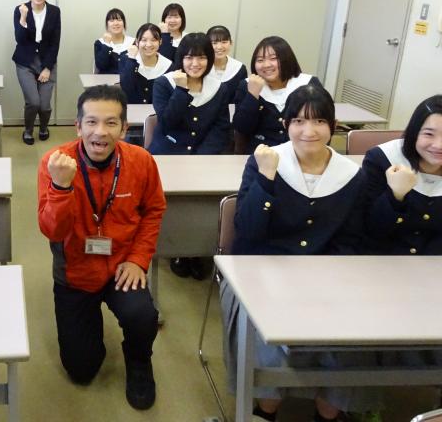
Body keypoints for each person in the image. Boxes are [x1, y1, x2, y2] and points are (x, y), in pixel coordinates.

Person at [221, 85, 370, 422]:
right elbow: (249, 230)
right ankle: (266, 405)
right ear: (286, 123)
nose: (309, 131)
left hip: (327, 273)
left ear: (332, 126)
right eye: (299, 120)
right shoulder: (265, 160)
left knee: (348, 328)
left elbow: (352, 239)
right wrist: (267, 179)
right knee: (264, 324)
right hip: (259, 269)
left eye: (319, 121)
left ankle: (329, 409)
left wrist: (325, 280)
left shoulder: (351, 175)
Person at [38, 85, 165, 410]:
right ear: (77, 126)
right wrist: (60, 187)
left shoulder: (141, 161)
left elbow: (153, 211)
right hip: (75, 272)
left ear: (125, 128)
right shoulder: (54, 164)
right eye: (91, 122)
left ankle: (138, 361)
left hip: (122, 265)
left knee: (143, 316)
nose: (100, 132)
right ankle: (88, 327)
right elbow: (52, 230)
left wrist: (138, 260)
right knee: (81, 369)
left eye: (111, 123)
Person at [148, 32, 230, 281]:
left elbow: (221, 128)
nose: (195, 63)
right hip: (167, 155)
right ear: (180, 59)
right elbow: (166, 123)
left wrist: (201, 158)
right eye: (189, 57)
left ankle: (199, 251)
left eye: (202, 57)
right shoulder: (165, 84)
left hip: (205, 157)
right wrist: (182, 90)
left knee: (207, 201)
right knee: (174, 204)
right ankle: (177, 250)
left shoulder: (219, 87)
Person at [362, 94, 442, 255]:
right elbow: (369, 228)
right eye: (428, 134)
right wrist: (395, 196)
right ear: (414, 133)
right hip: (383, 261)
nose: (438, 145)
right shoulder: (381, 159)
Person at [232, 35, 322, 154]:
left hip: (300, 154)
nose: (266, 65)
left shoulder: (308, 84)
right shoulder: (247, 85)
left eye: (273, 58)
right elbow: (242, 129)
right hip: (259, 155)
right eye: (260, 60)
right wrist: (252, 96)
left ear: (286, 59)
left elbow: (320, 125)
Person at [12, 0, 61, 145]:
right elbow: (20, 39)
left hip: (47, 61)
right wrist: (23, 18)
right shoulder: (20, 9)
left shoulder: (55, 11)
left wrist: (47, 68)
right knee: (33, 102)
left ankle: (43, 127)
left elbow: (55, 42)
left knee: (45, 105)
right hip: (25, 61)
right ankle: (28, 130)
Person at [118, 23, 174, 104]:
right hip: (131, 111)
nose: (148, 44)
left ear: (160, 42)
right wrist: (132, 60)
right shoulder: (126, 59)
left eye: (154, 40)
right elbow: (126, 89)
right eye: (144, 40)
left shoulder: (168, 65)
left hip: (157, 113)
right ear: (137, 42)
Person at [206, 24, 247, 92]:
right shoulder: (201, 67)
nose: (219, 47)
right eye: (214, 43)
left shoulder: (239, 68)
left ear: (231, 43)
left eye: (224, 42)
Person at [93, 8, 134, 74]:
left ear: (124, 23)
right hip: (105, 82)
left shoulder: (133, 42)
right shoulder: (100, 43)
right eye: (111, 20)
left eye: (119, 20)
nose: (116, 23)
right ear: (107, 24)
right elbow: (101, 66)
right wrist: (106, 45)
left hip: (128, 82)